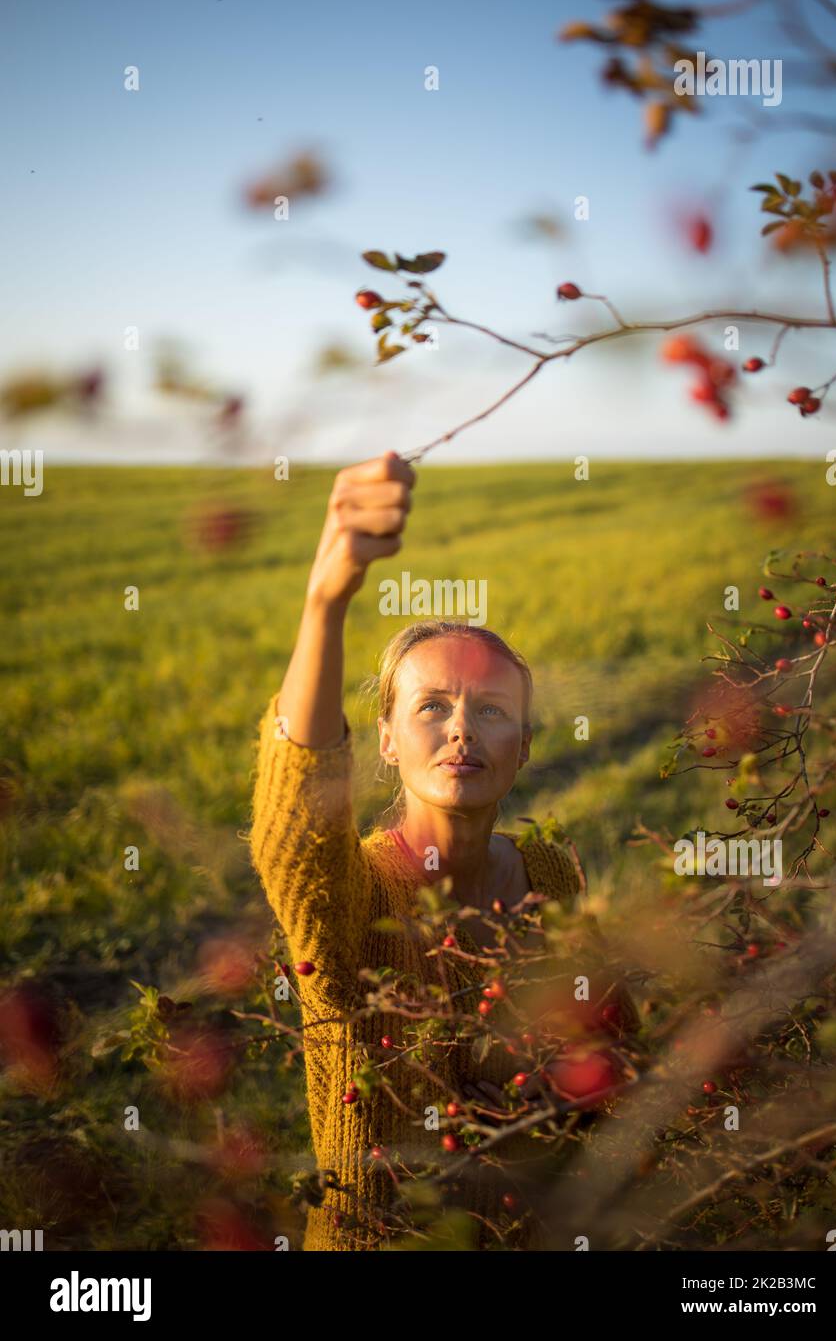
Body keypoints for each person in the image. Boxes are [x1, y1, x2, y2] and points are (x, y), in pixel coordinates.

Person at [248, 451, 638, 1251]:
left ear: (525, 745)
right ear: (386, 739)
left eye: (490, 710)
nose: (461, 728)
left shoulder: (550, 877)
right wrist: (327, 602)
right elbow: (296, 825)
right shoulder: (353, 896)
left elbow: (610, 1057)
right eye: (432, 706)